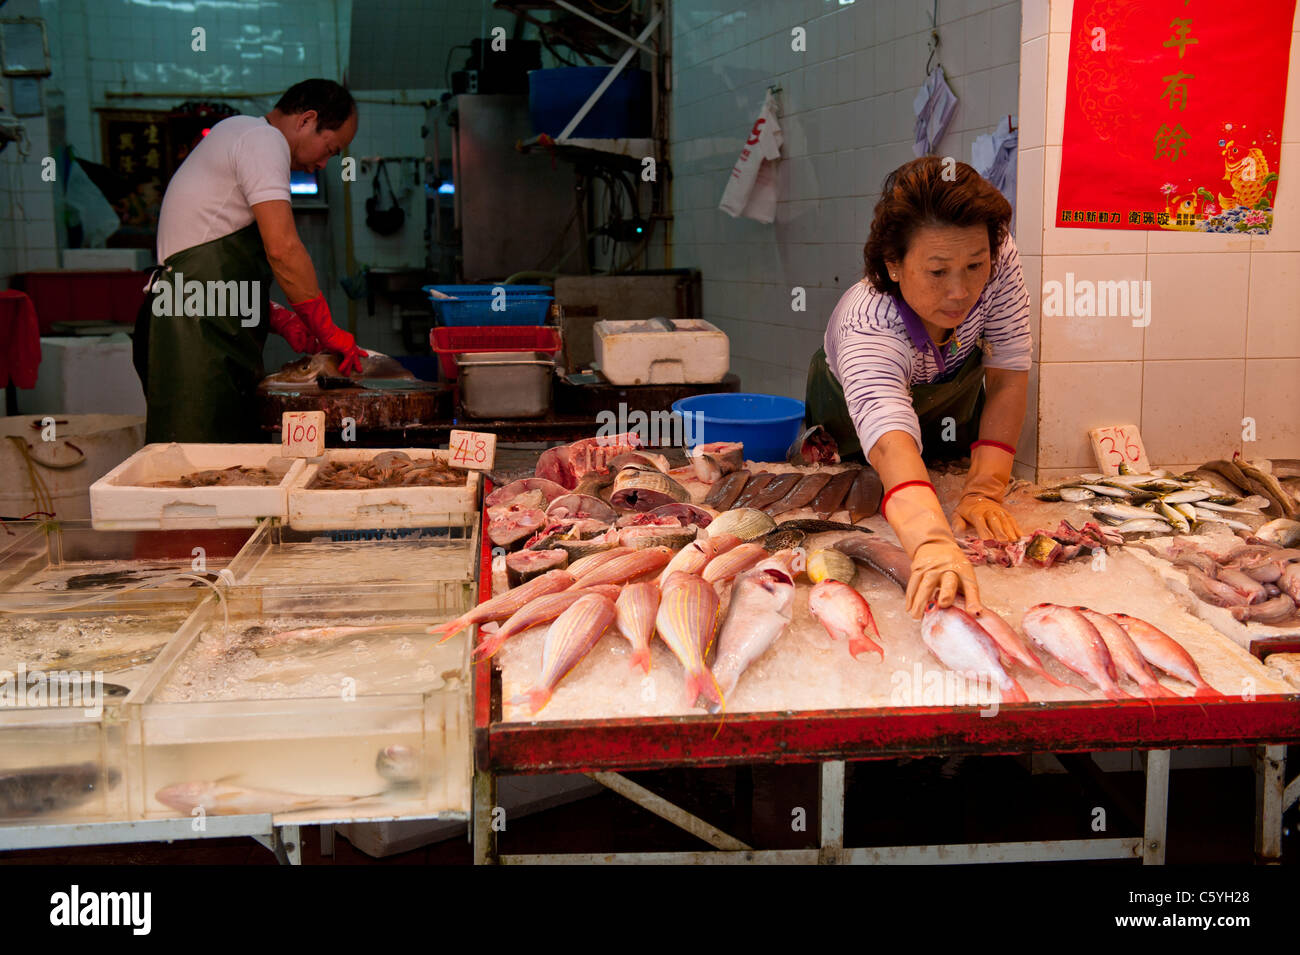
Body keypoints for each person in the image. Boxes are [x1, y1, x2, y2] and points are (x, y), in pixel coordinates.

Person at [807, 157, 1031, 618]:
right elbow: (889, 444)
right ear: (893, 264)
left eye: (974, 267)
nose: (960, 292)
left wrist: (984, 489)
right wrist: (931, 541)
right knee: (859, 492)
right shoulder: (868, 326)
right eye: (937, 272)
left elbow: (1008, 371)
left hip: (951, 420)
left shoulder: (997, 253)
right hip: (858, 441)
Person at [133, 78, 366, 443]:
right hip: (191, 332)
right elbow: (284, 249)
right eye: (329, 149)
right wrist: (326, 329)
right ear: (306, 120)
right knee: (200, 470)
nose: (323, 163)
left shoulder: (240, 135)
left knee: (229, 465)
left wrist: (280, 318)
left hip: (194, 319)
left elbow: (216, 269)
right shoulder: (262, 139)